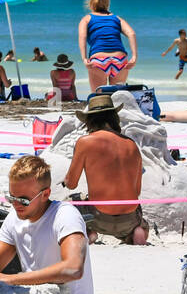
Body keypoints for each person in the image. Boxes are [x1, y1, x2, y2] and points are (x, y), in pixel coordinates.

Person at [0, 155, 94, 294]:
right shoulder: (14, 217)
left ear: (45, 194)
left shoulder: (65, 215)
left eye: (23, 200)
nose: (16, 204)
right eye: (11, 198)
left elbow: (73, 268)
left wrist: (13, 279)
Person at [63, 95, 148, 245]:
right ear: (114, 118)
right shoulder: (132, 145)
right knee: (136, 211)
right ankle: (135, 232)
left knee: (67, 204)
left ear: (90, 120)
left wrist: (66, 180)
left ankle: (88, 232)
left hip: (98, 217)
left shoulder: (85, 142)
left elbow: (71, 184)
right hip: (129, 218)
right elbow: (138, 190)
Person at [78, 0, 138, 92]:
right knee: (117, 97)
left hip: (99, 60)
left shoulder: (87, 19)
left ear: (92, 3)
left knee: (99, 97)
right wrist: (134, 57)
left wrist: (84, 58)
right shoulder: (116, 18)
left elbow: (82, 37)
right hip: (120, 59)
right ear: (107, 2)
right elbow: (131, 33)